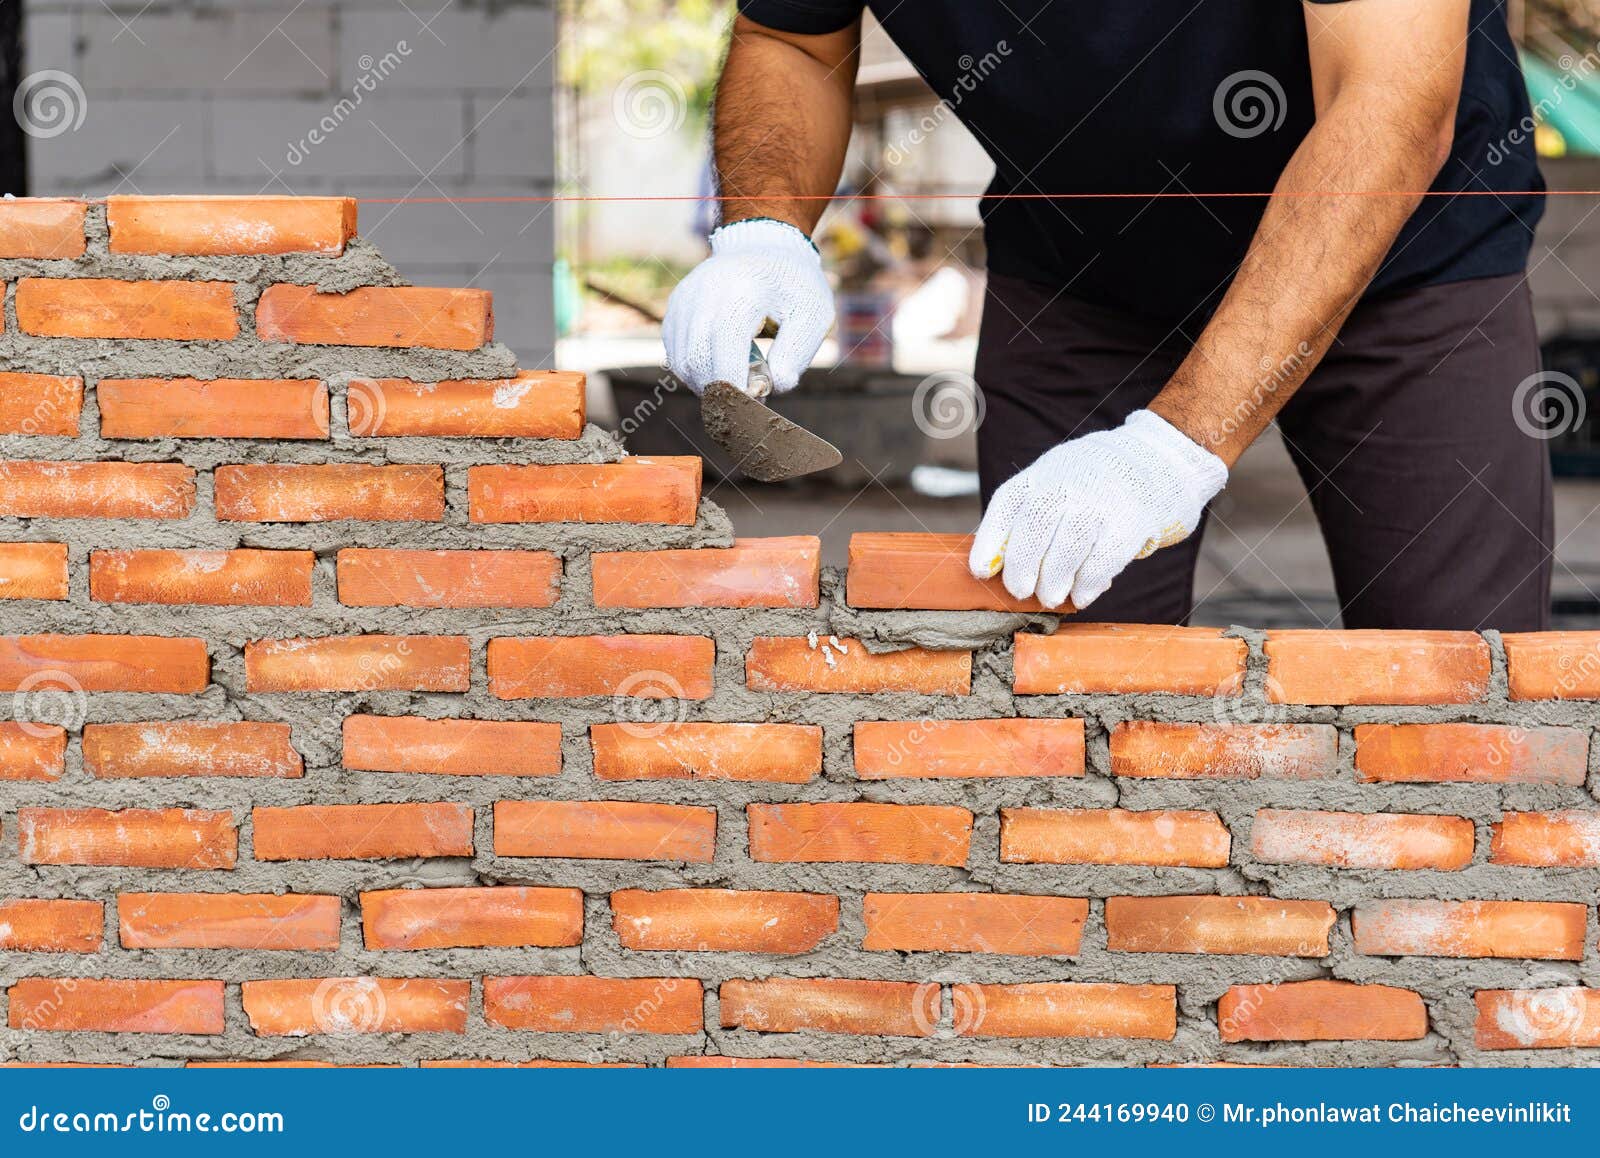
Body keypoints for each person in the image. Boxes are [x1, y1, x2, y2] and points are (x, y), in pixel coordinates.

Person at [662, 0, 1553, 629]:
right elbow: (793, 38)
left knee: (1458, 685)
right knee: (1071, 687)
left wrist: (1175, 447)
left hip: (1401, 262)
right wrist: (764, 233)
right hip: (1082, 273)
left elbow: (1390, 104)